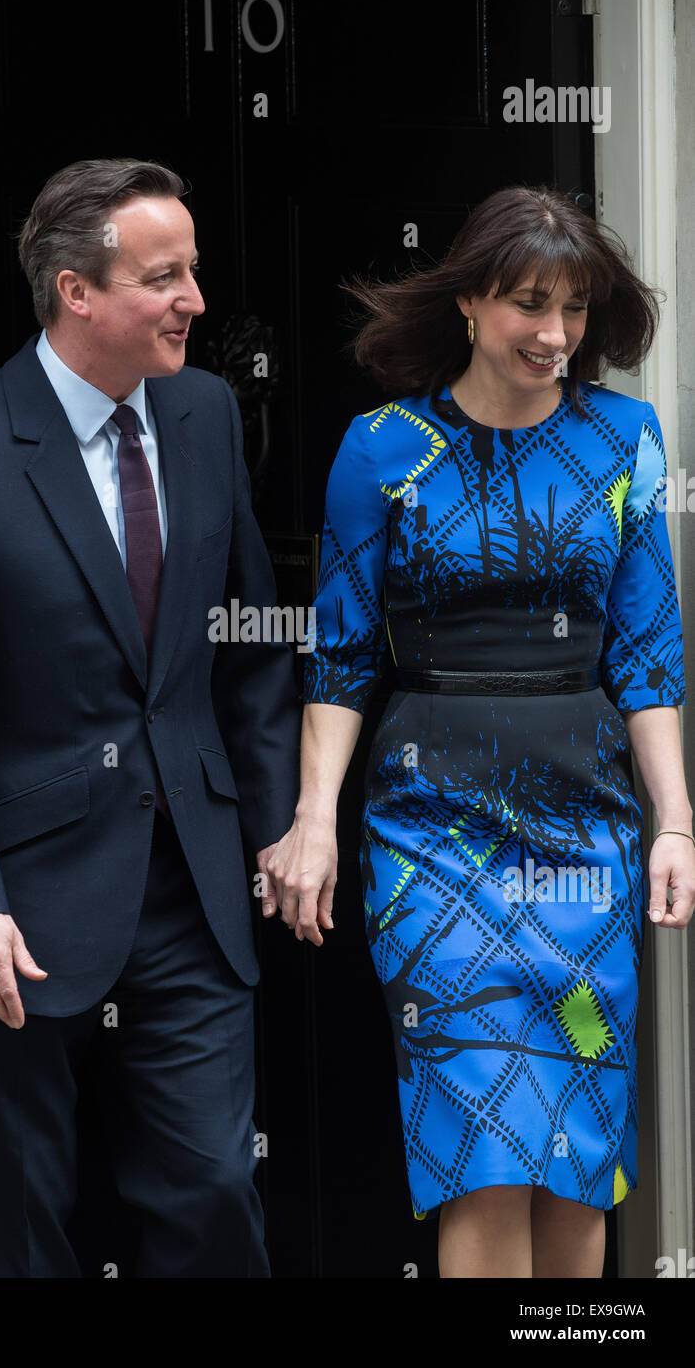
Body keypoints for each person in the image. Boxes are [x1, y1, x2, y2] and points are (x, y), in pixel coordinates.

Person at [0, 157, 300, 1277]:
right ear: (76, 291)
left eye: (193, 271)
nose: (196, 301)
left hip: (191, 887)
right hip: (15, 911)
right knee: (13, 1227)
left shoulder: (204, 412)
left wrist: (276, 825)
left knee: (214, 1190)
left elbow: (245, 644)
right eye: (166, 277)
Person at [261, 184, 695, 1278]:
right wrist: (314, 821)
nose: (556, 335)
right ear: (467, 303)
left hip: (588, 836)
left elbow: (646, 661)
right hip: (430, 838)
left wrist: (675, 823)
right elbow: (343, 659)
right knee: (484, 1144)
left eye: (577, 309)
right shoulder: (381, 449)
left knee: (577, 1148)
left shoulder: (624, 440)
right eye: (529, 305)